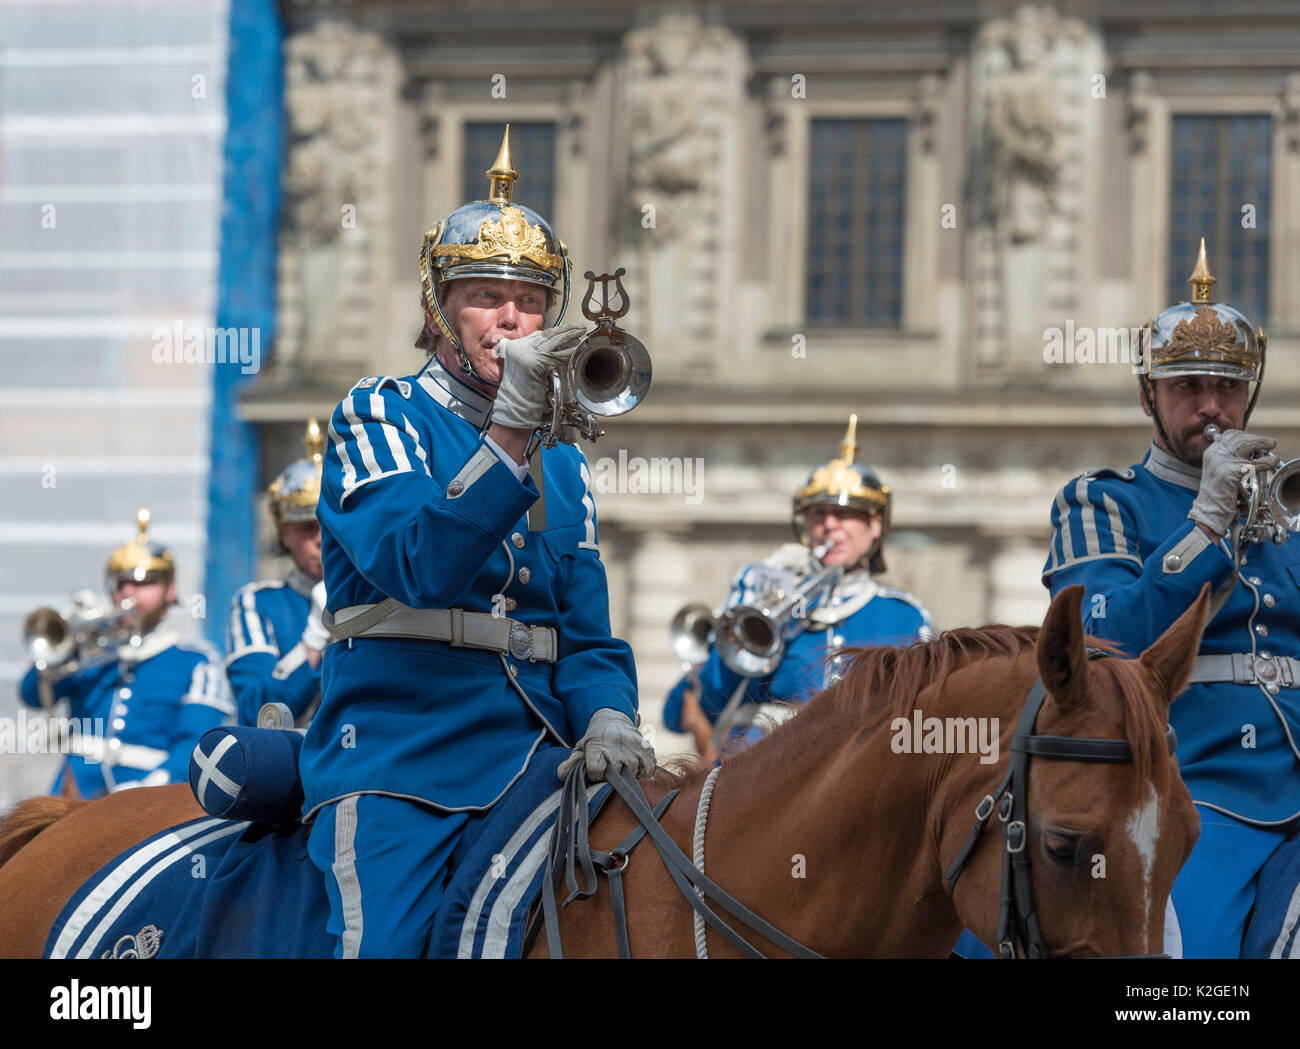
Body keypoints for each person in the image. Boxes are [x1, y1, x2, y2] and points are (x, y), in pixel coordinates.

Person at [299, 126, 654, 959]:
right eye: (485, 296)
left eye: (529, 302)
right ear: (438, 309)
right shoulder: (379, 411)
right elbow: (418, 564)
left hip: (539, 750)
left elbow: (586, 629)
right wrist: (507, 435)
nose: (511, 320)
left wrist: (607, 714)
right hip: (399, 750)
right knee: (379, 947)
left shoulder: (562, 461)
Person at [1042, 239, 1299, 958]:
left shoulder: (1286, 512)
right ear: (1149, 393)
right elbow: (1103, 639)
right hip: (1189, 787)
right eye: (1188, 386)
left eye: (1227, 386)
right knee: (1187, 960)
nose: (1212, 406)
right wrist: (1205, 525)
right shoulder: (1102, 501)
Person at [664, 415, 933, 751]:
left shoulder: (903, 615)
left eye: (846, 514)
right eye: (818, 514)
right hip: (764, 774)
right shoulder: (774, 594)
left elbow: (915, 723)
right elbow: (677, 714)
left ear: (876, 525)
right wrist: (743, 620)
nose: (830, 525)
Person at [19, 508, 232, 798]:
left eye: (144, 583)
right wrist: (65, 648)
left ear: (170, 591)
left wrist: (147, 790)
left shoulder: (198, 659)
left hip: (148, 796)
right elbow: (31, 695)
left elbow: (194, 743)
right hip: (72, 794)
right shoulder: (90, 651)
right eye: (121, 583)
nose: (129, 593)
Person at [226, 418, 328, 727]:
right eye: (308, 527)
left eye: (330, 525)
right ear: (284, 534)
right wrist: (316, 635)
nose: (322, 538)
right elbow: (258, 711)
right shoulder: (257, 602)